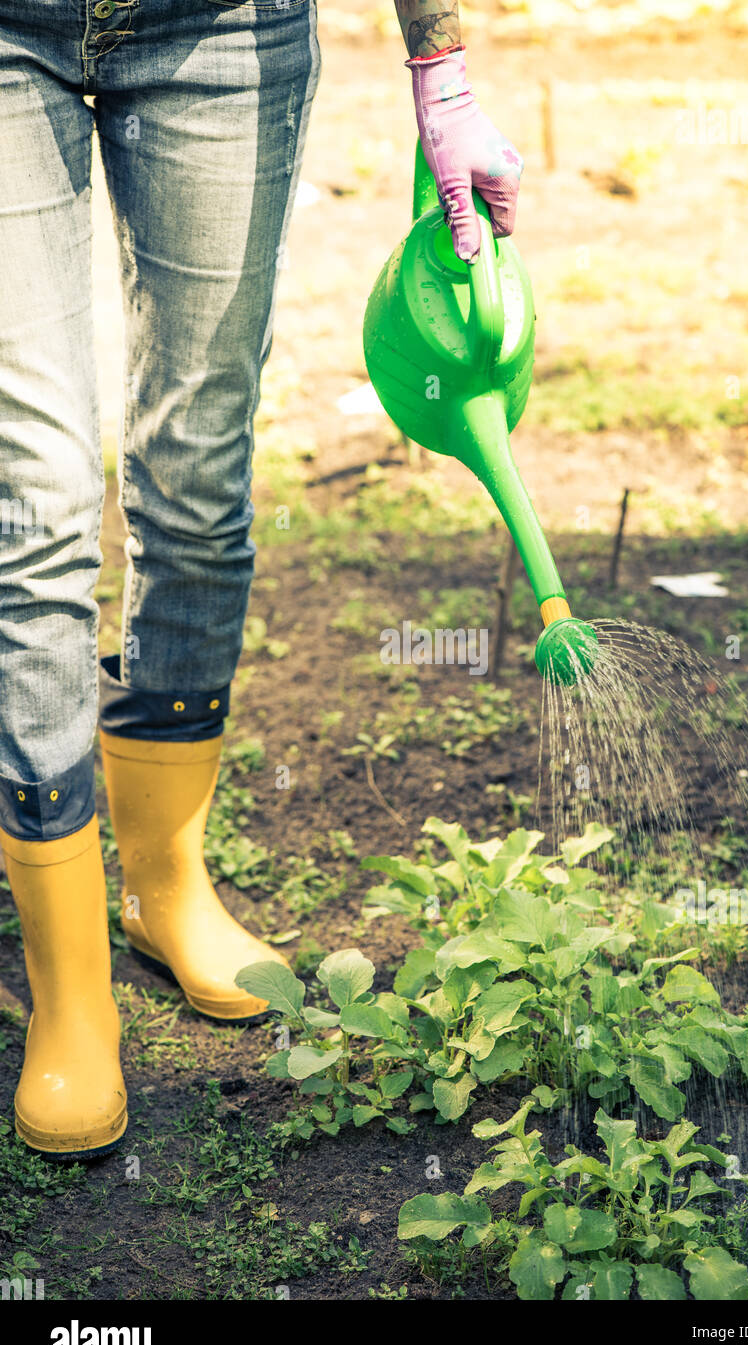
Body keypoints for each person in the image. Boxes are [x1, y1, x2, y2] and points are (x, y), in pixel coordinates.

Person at [0, 1, 522, 1160]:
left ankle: (165, 885)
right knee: (33, 494)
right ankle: (70, 981)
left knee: (197, 466)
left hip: (222, 30)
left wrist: (440, 67)